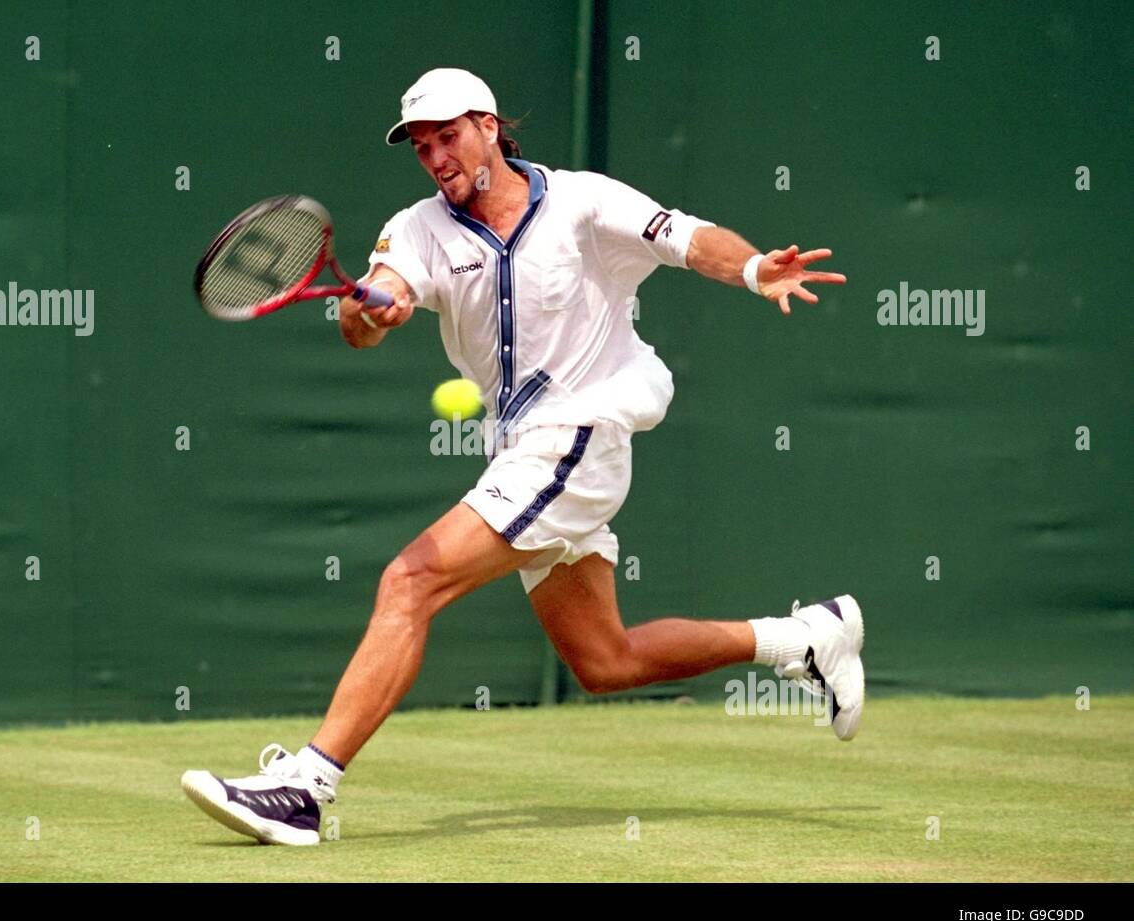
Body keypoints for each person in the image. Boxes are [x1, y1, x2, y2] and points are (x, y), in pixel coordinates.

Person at [182, 68, 862, 846]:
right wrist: (373, 312)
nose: (435, 157)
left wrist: (751, 268)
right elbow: (369, 309)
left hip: (583, 432)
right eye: (422, 146)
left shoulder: (584, 201)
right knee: (605, 661)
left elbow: (689, 238)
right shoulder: (417, 230)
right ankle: (806, 637)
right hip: (522, 450)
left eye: (447, 136)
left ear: (489, 126)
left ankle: (307, 785)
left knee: (410, 579)